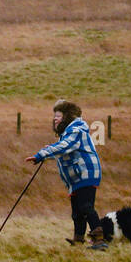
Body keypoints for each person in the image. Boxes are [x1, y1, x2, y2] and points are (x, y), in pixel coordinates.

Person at [24, 99, 103, 247]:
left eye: (58, 116)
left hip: (86, 174)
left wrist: (42, 154)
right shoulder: (67, 134)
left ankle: (99, 239)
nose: (55, 119)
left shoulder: (77, 130)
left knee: (86, 207)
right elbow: (62, 148)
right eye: (54, 116)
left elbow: (64, 147)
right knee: (77, 212)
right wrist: (50, 152)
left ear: (67, 118)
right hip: (75, 179)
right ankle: (78, 239)